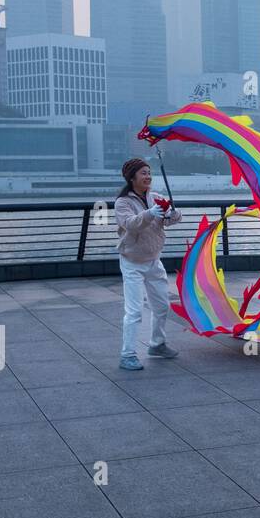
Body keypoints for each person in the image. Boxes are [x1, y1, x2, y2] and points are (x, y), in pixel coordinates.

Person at [114, 157, 183, 371]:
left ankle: (157, 344)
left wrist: (173, 214)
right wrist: (149, 213)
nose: (148, 176)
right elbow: (130, 224)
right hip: (132, 261)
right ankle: (128, 355)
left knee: (162, 306)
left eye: (149, 172)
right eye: (143, 173)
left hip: (154, 259)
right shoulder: (123, 202)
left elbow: (169, 221)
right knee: (134, 311)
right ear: (132, 177)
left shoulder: (156, 198)